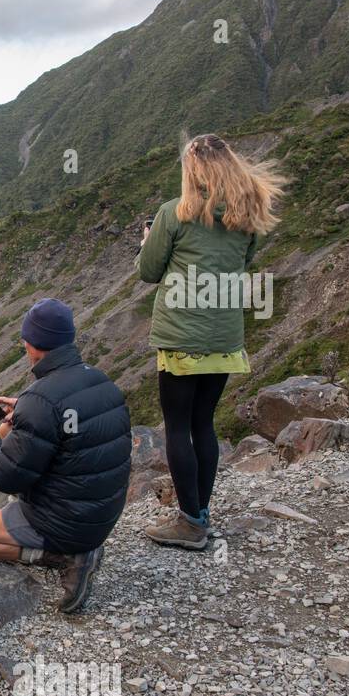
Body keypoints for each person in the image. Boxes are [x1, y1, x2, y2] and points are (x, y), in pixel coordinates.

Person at [138, 133, 286, 549]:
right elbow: (241, 263)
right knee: (204, 423)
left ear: (194, 172)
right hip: (224, 338)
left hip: (182, 338)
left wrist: (148, 241)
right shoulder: (248, 219)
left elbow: (149, 271)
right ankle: (200, 514)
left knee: (177, 427)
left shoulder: (173, 215)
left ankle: (190, 524)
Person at [0, 299, 132, 614]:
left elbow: (2, 476)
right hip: (101, 514)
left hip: (67, 523)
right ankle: (79, 547)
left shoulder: (41, 401)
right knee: (15, 440)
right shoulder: (101, 380)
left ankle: (66, 557)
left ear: (32, 346)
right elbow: (69, 424)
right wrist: (24, 409)